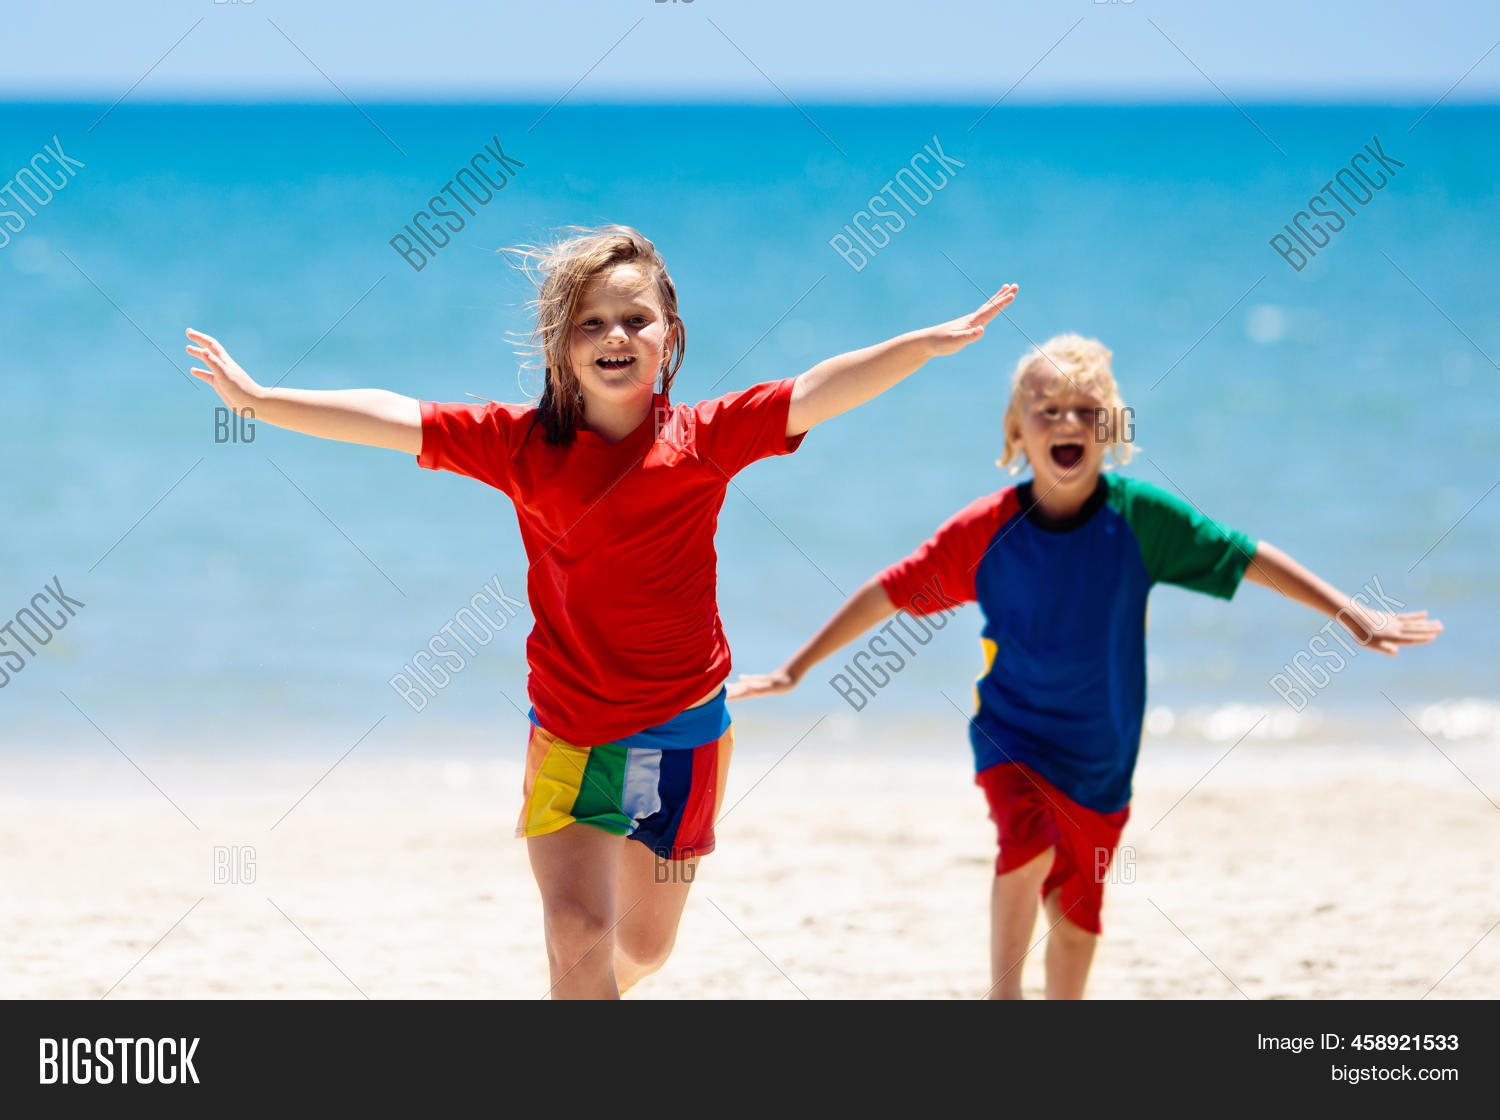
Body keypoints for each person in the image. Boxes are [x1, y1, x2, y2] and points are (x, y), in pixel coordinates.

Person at [186, 223, 1017, 998]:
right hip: (572, 735)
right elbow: (396, 416)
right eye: (590, 323)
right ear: (561, 344)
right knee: (577, 929)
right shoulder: (520, 446)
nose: (614, 337)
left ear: (670, 334)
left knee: (643, 950)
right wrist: (262, 401)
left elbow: (820, 388)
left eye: (634, 318)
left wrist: (924, 345)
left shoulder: (706, 439)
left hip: (683, 733)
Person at [729, 333, 1442, 999]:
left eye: (1086, 410)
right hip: (1012, 735)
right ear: (1016, 432)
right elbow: (889, 589)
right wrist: (797, 668)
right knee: (1027, 844)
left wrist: (1350, 611)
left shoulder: (1142, 521)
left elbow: (1243, 553)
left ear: (1112, 429)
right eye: (1046, 410)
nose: (1066, 421)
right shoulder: (985, 533)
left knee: (1076, 924)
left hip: (1102, 762)